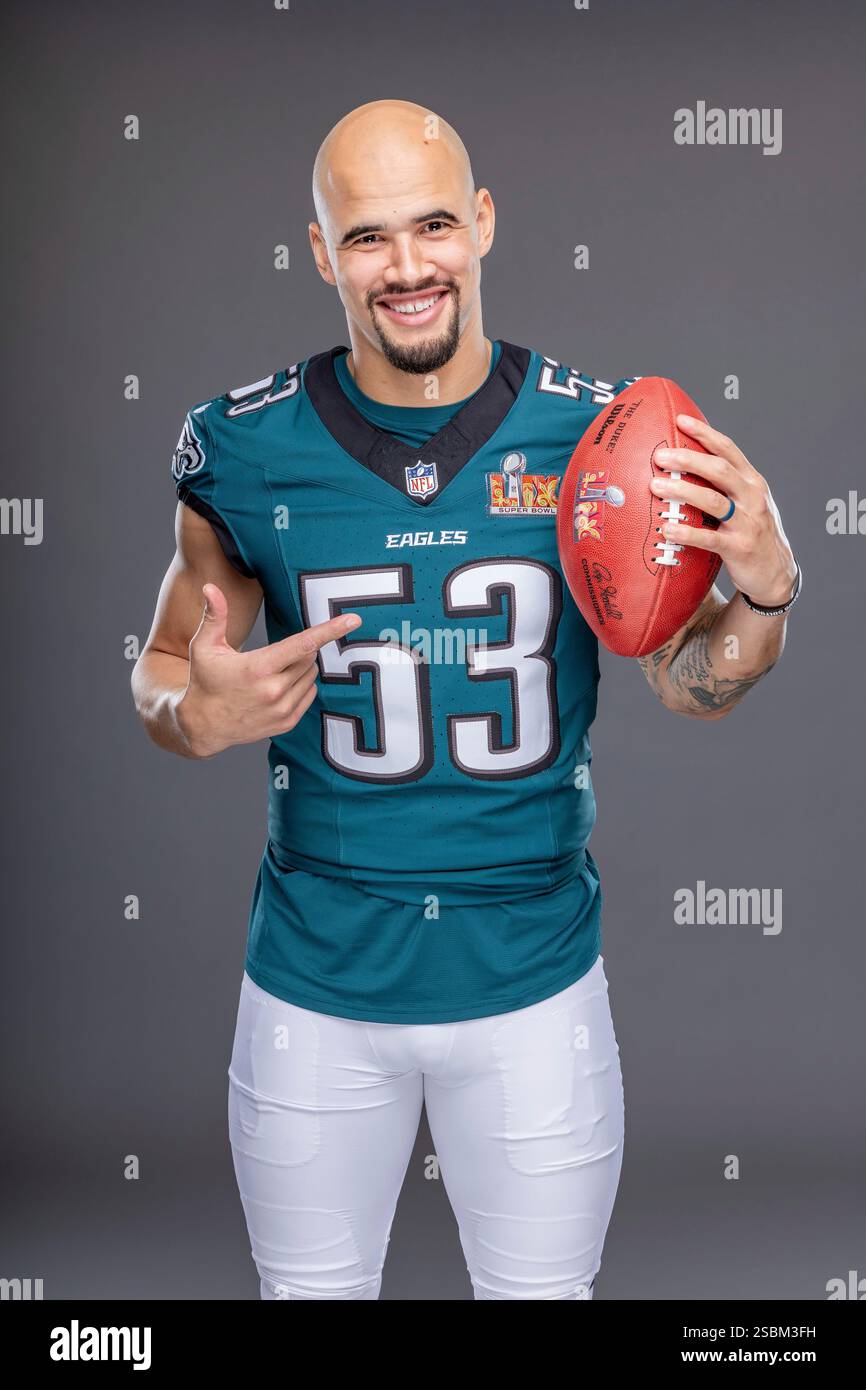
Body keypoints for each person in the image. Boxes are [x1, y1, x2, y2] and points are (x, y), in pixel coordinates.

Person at [131, 99, 799, 1300]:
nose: (407, 266)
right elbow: (166, 668)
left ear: (482, 223)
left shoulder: (600, 439)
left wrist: (764, 594)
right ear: (321, 251)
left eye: (432, 225)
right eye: (369, 237)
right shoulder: (242, 446)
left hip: (533, 986)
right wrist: (196, 714)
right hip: (312, 988)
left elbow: (689, 685)